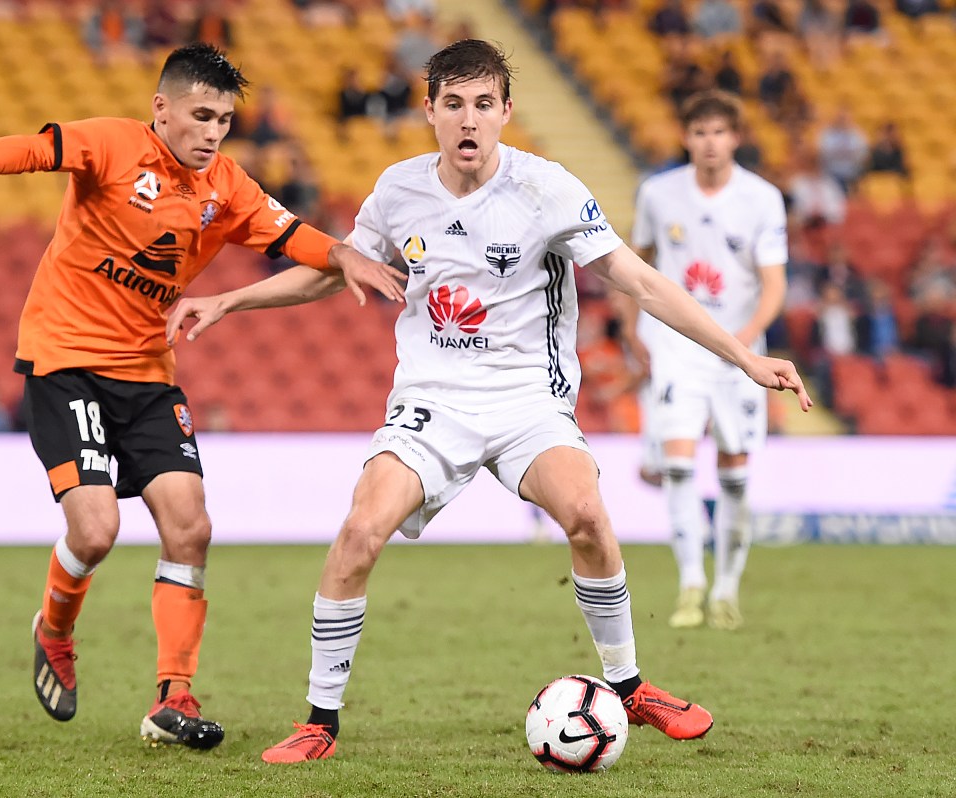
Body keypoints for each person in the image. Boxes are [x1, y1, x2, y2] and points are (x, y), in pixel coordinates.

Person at [166, 40, 811, 763]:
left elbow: (643, 282)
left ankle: (629, 686)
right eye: (453, 105)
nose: (468, 120)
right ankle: (320, 721)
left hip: (526, 399)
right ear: (430, 111)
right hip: (432, 400)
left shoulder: (550, 190)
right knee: (357, 535)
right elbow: (331, 272)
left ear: (506, 111)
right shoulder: (399, 189)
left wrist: (746, 357)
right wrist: (229, 299)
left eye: (483, 105)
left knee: (589, 517)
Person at [0, 42, 403, 749]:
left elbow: (289, 234)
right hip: (65, 362)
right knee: (97, 531)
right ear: (161, 108)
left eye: (225, 120)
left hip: (145, 376)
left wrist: (346, 253)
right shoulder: (111, 145)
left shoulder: (225, 186)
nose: (213, 132)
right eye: (201, 115)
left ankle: (174, 695)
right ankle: (55, 628)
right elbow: (39, 149)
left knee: (191, 525)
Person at [627, 90, 789, 632]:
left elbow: (774, 283)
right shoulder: (657, 193)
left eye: (719, 132)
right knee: (676, 464)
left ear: (735, 138)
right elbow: (636, 263)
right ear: (685, 138)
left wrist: (743, 344)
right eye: (699, 132)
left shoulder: (762, 198)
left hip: (740, 354)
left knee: (736, 476)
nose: (709, 143)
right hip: (677, 345)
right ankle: (691, 583)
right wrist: (632, 326)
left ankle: (726, 589)